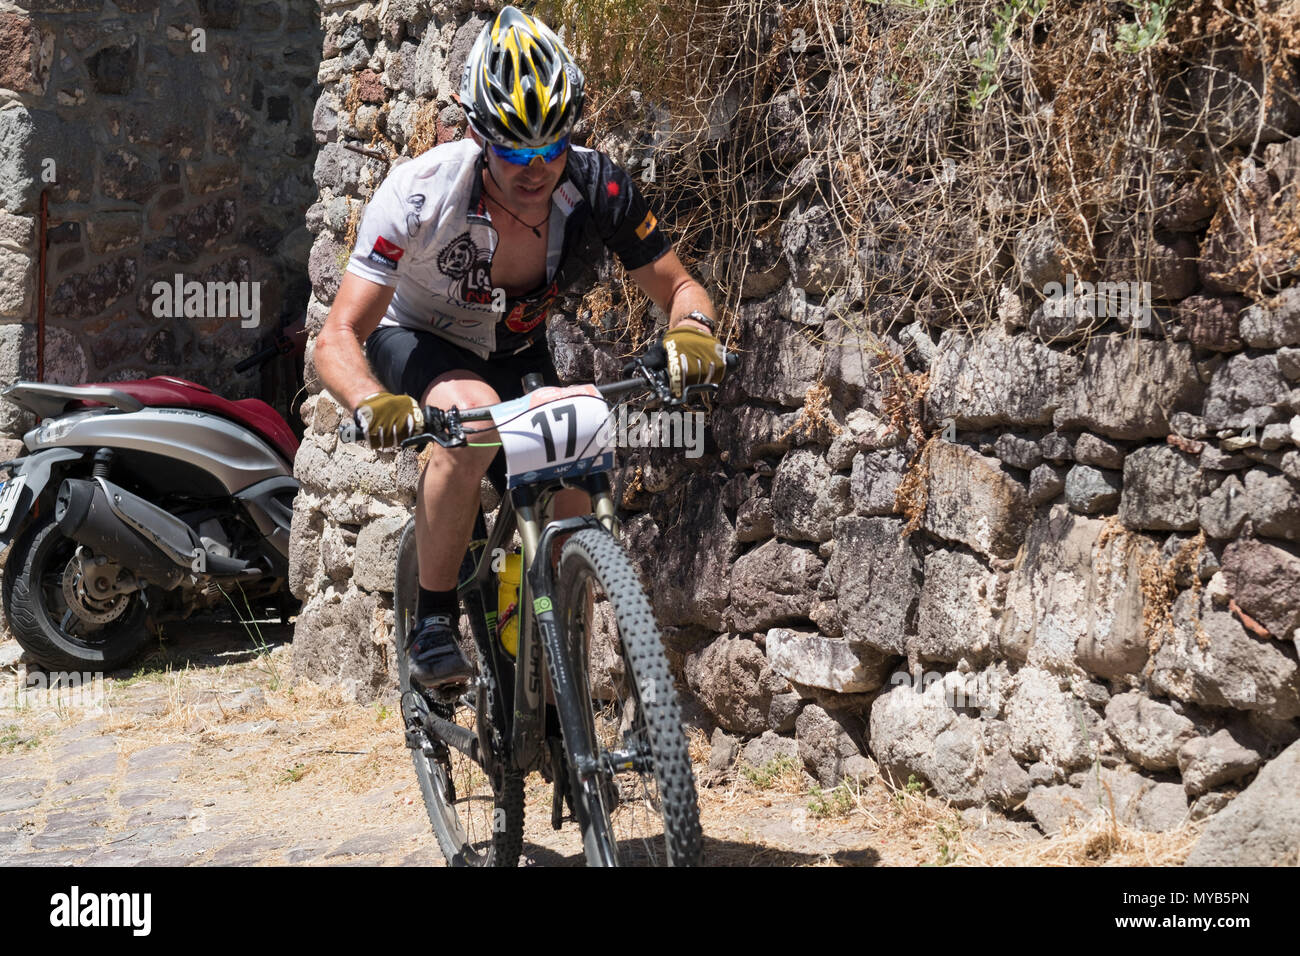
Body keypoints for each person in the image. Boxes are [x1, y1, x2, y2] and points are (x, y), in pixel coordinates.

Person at [314, 6, 727, 691]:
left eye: (550, 148)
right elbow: (336, 337)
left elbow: (681, 287)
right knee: (472, 419)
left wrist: (693, 331)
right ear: (479, 136)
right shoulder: (417, 196)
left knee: (572, 473)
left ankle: (550, 674)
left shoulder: (598, 186)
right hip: (416, 337)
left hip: (514, 346)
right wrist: (371, 401)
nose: (535, 169)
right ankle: (435, 621)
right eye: (513, 152)